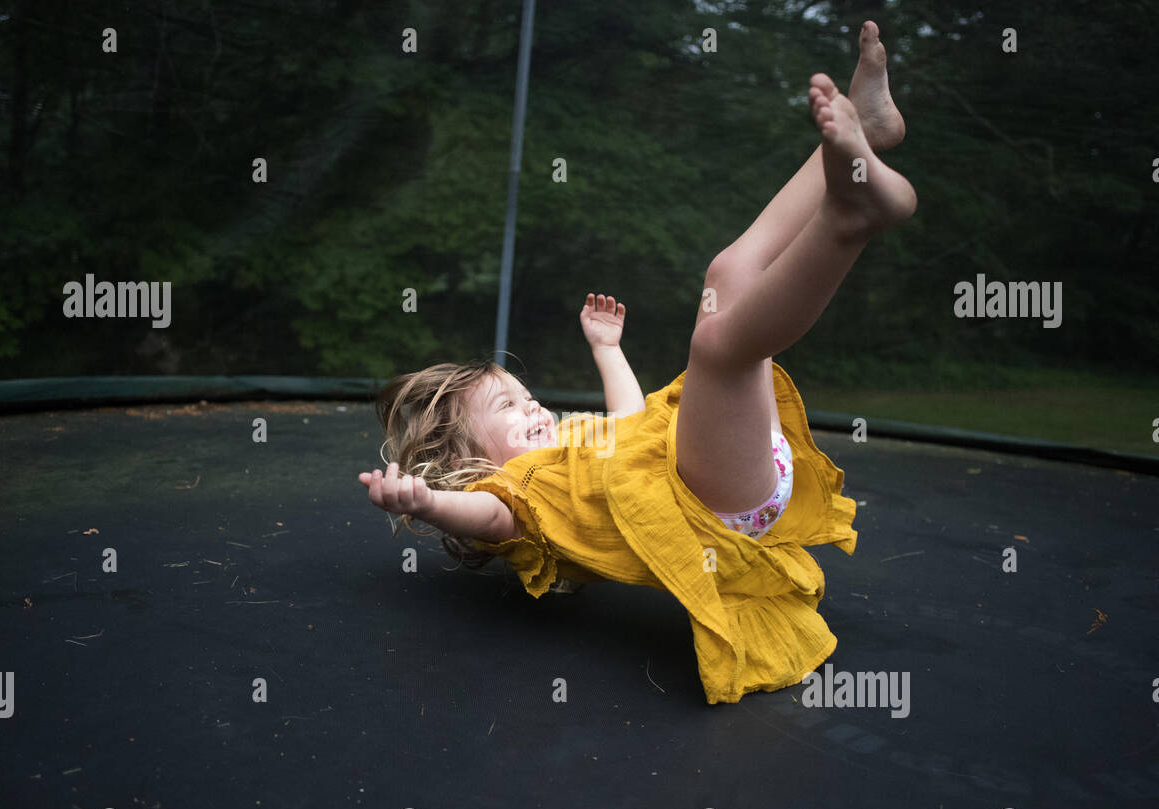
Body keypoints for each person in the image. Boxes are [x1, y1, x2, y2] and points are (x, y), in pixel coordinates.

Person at [359, 21, 915, 704]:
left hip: (720, 469)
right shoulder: (517, 495)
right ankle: (849, 220)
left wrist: (607, 351)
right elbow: (485, 520)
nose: (533, 405)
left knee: (727, 275)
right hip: (719, 509)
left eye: (524, 394)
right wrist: (430, 503)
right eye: (508, 408)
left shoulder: (579, 448)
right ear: (473, 461)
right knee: (718, 349)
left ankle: (866, 133)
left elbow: (633, 423)